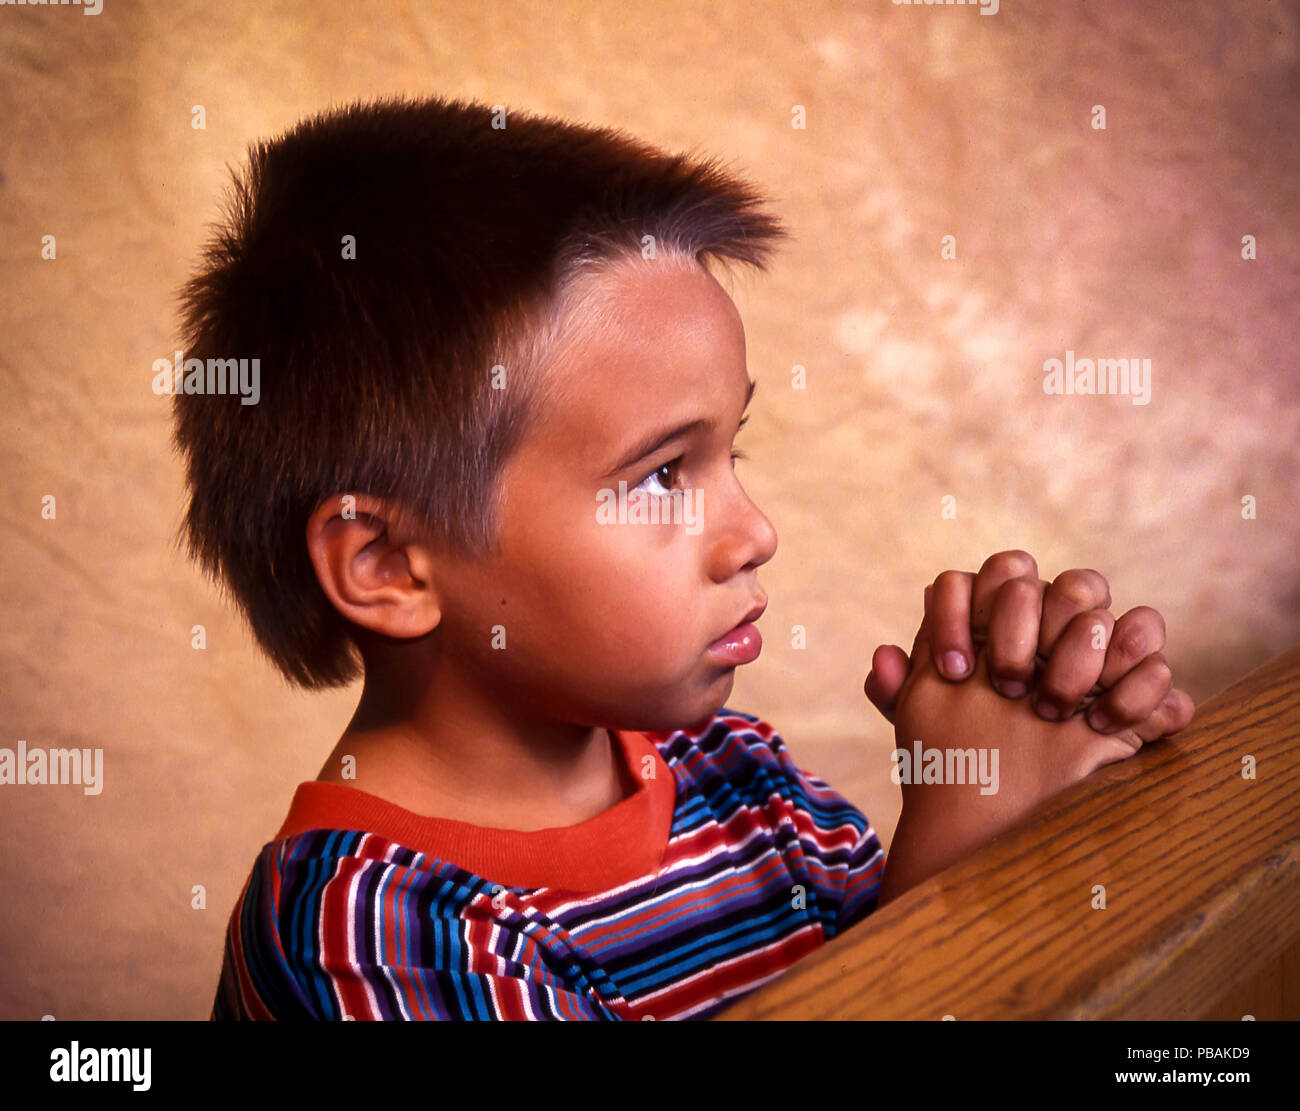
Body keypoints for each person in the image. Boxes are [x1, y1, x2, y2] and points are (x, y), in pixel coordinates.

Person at [173, 95, 1194, 1020]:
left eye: (730, 449)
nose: (754, 531)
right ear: (388, 565)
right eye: (661, 474)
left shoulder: (743, 779)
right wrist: (958, 848)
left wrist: (1053, 787)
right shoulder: (359, 939)